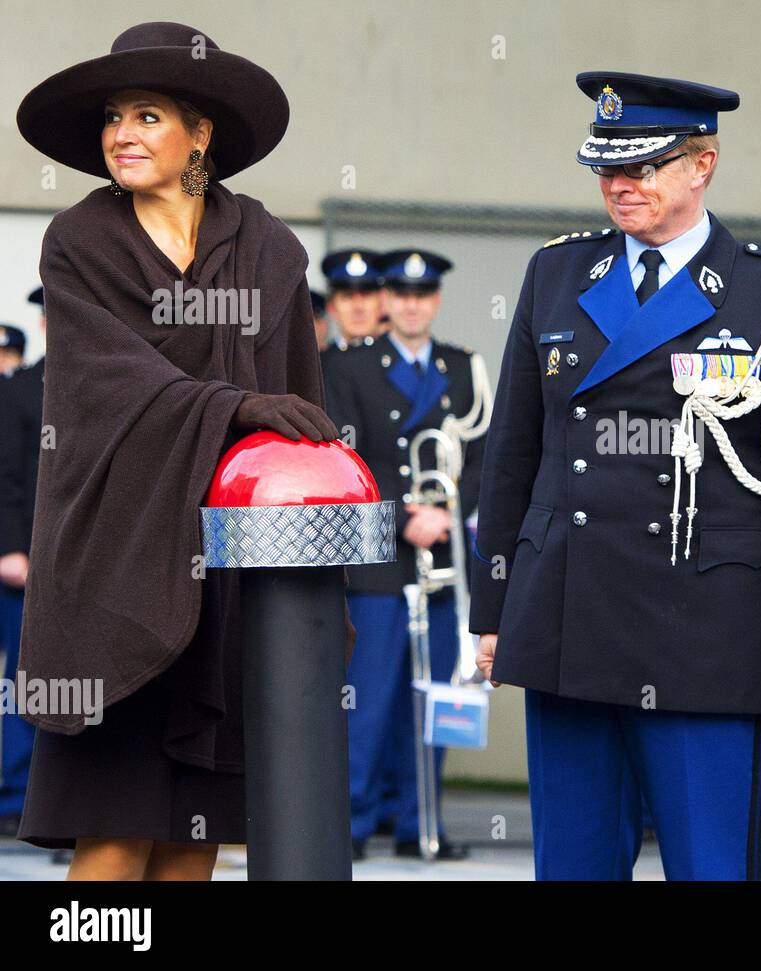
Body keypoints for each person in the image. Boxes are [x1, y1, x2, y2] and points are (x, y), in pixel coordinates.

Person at [470, 71, 761, 880]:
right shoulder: (558, 274)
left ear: (702, 164)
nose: (621, 185)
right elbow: (512, 452)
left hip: (703, 628)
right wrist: (494, 605)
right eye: (607, 169)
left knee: (711, 864)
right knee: (572, 864)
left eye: (643, 166)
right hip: (566, 613)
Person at [12, 21, 339, 880]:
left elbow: (308, 415)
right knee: (115, 837)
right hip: (112, 573)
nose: (122, 133)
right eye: (115, 116)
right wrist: (235, 407)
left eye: (148, 115)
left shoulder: (269, 247)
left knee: (195, 835)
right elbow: (107, 386)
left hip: (228, 581)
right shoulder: (80, 242)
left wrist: (318, 578)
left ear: (201, 134)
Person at [324, 247, 489, 861]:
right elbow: (344, 454)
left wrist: (446, 511)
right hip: (380, 560)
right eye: (402, 295)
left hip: (442, 559)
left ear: (435, 301)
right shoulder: (348, 366)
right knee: (366, 703)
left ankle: (422, 824)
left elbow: (484, 454)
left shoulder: (462, 366)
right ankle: (354, 825)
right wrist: (404, 515)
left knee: (434, 699)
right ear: (387, 302)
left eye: (424, 295)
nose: (413, 305)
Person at [0, 290, 45, 838]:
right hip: (32, 563)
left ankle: (66, 800)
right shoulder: (18, 390)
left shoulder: (112, 380)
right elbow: (7, 476)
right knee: (26, 682)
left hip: (96, 564)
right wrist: (11, 548)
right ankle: (17, 794)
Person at [320, 249, 386, 358]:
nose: (358, 307)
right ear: (331, 308)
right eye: (348, 297)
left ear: (382, 303)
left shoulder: (401, 363)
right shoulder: (319, 365)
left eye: (366, 296)